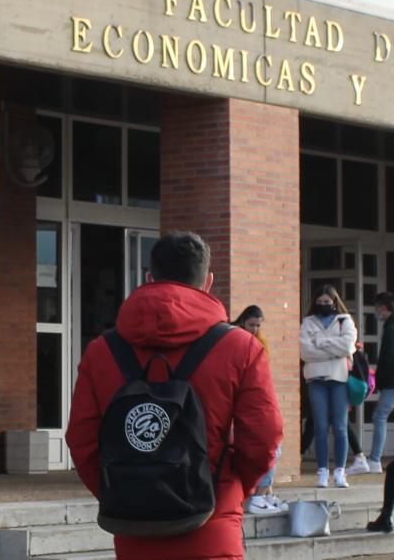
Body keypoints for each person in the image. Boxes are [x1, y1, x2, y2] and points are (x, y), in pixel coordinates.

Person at [67, 232, 282, 559]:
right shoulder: (241, 348)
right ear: (207, 282)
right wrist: (231, 489)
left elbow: (81, 439)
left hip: (135, 526)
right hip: (212, 522)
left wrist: (124, 488)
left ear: (150, 278)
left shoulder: (102, 351)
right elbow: (264, 436)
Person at [299, 284, 358, 489]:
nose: (324, 305)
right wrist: (334, 348)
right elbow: (305, 352)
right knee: (320, 426)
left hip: (339, 379)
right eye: (320, 302)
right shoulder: (307, 322)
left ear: (335, 302)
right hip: (316, 380)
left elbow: (348, 346)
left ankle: (340, 471)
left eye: (328, 302)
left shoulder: (345, 320)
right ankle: (322, 471)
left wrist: (321, 342)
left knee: (340, 427)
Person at [350, 291, 394, 475]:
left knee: (379, 416)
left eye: (377, 309)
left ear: (383, 309)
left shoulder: (393, 328)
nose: (376, 313)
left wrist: (381, 378)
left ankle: (375, 459)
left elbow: (393, 358)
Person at [233, 305, 286, 515]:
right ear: (243, 321)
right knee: (270, 447)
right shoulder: (235, 339)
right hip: (242, 404)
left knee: (274, 445)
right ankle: (259, 495)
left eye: (258, 325)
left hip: (255, 399)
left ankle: (266, 493)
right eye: (251, 324)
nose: (254, 329)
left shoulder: (258, 342)